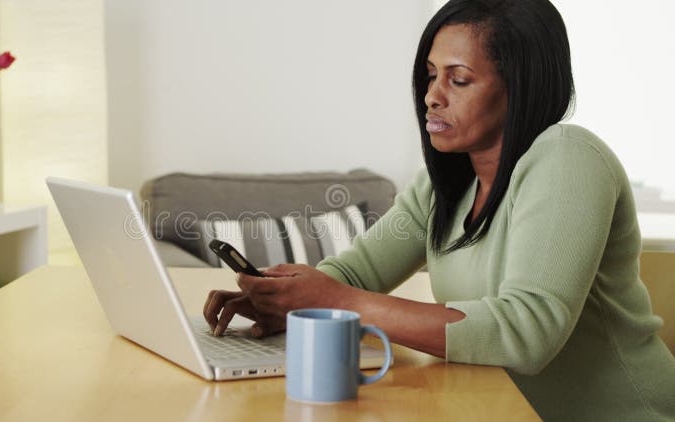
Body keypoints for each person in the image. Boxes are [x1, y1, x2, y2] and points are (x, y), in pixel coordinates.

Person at [203, 0, 675, 419]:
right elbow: (358, 273)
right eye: (431, 75)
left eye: (459, 79)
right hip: (495, 408)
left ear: (520, 87)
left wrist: (335, 301)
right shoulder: (446, 181)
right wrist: (287, 302)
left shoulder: (568, 157)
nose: (432, 95)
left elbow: (527, 334)